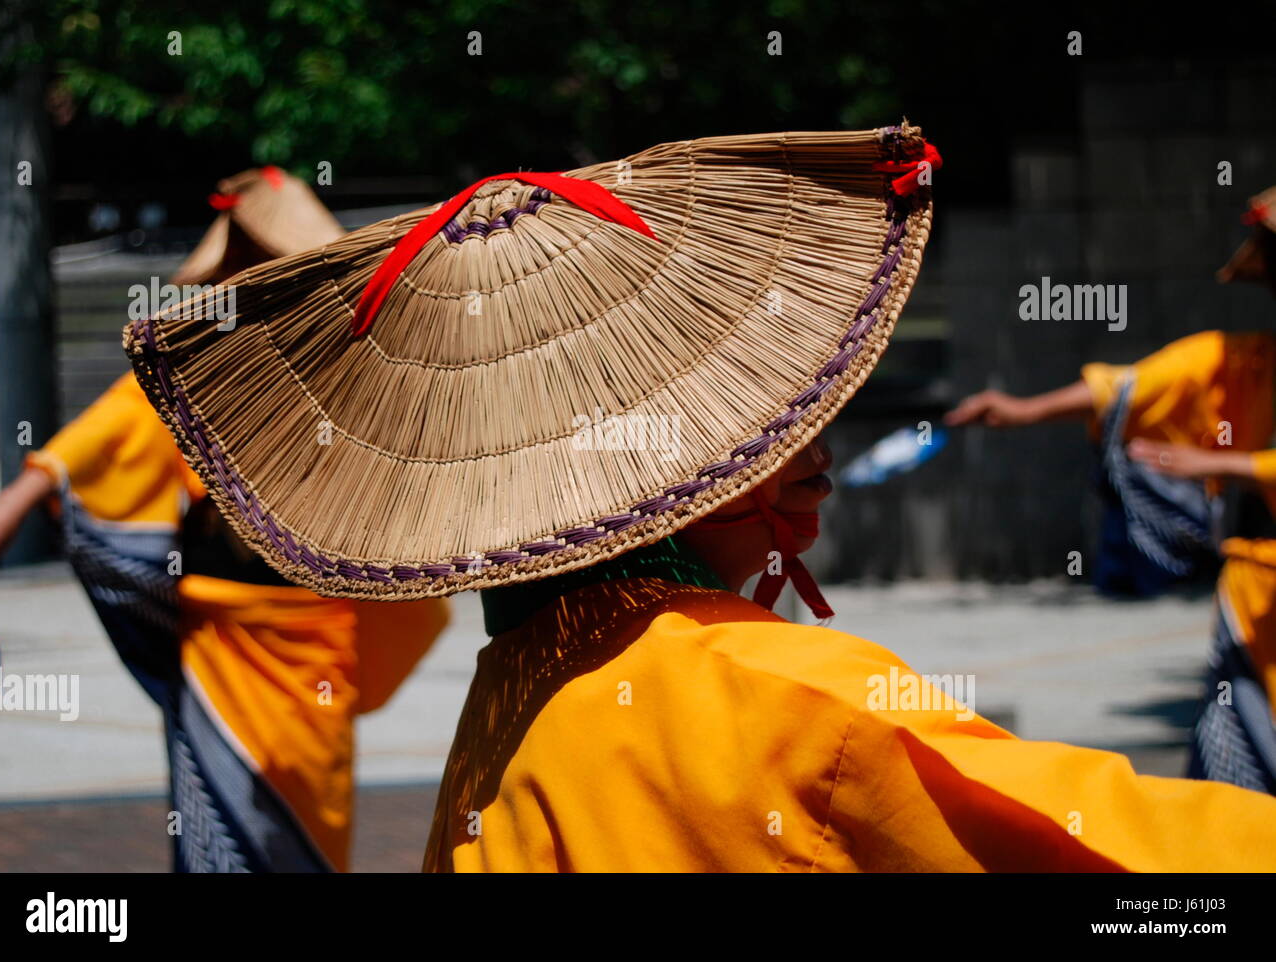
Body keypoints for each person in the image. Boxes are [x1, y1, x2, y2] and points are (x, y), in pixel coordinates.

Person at [125, 127, 1276, 872]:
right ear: (663, 473)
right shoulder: (784, 698)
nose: (810, 433)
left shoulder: (515, 683)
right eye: (762, 403)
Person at [0, 167, 448, 871]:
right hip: (226, 649)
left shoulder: (353, 385)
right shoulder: (192, 375)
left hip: (308, 649)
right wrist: (3, 517)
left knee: (298, 840)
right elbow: (89, 447)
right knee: (219, 843)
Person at [947, 186, 1276, 793]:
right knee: (1238, 786)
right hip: (1255, 603)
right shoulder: (1245, 361)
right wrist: (1023, 410)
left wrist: (1222, 464)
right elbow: (1133, 387)